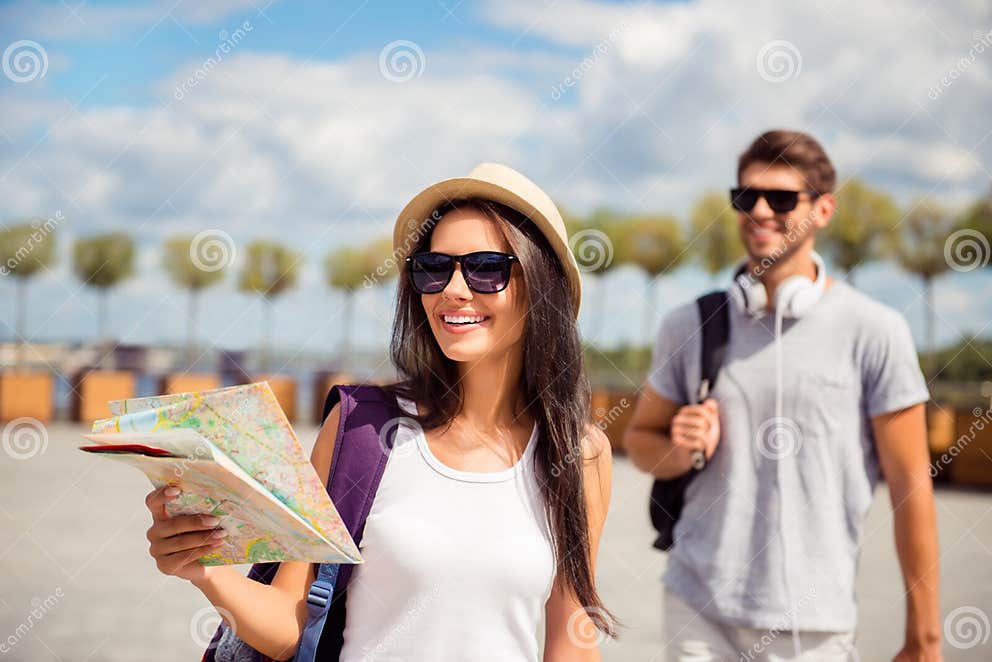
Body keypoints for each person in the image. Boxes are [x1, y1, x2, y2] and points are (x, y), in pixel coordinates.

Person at [142, 162, 618, 661]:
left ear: (542, 285)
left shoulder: (580, 455)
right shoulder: (360, 429)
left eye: (486, 268)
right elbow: (290, 622)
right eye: (434, 269)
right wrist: (203, 567)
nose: (454, 290)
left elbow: (571, 641)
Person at [624, 130, 941, 661]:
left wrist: (925, 638)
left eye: (782, 198)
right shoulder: (691, 324)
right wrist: (677, 450)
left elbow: (912, 487)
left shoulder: (876, 330)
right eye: (746, 197)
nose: (760, 211)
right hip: (696, 610)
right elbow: (639, 441)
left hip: (812, 626)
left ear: (823, 210)